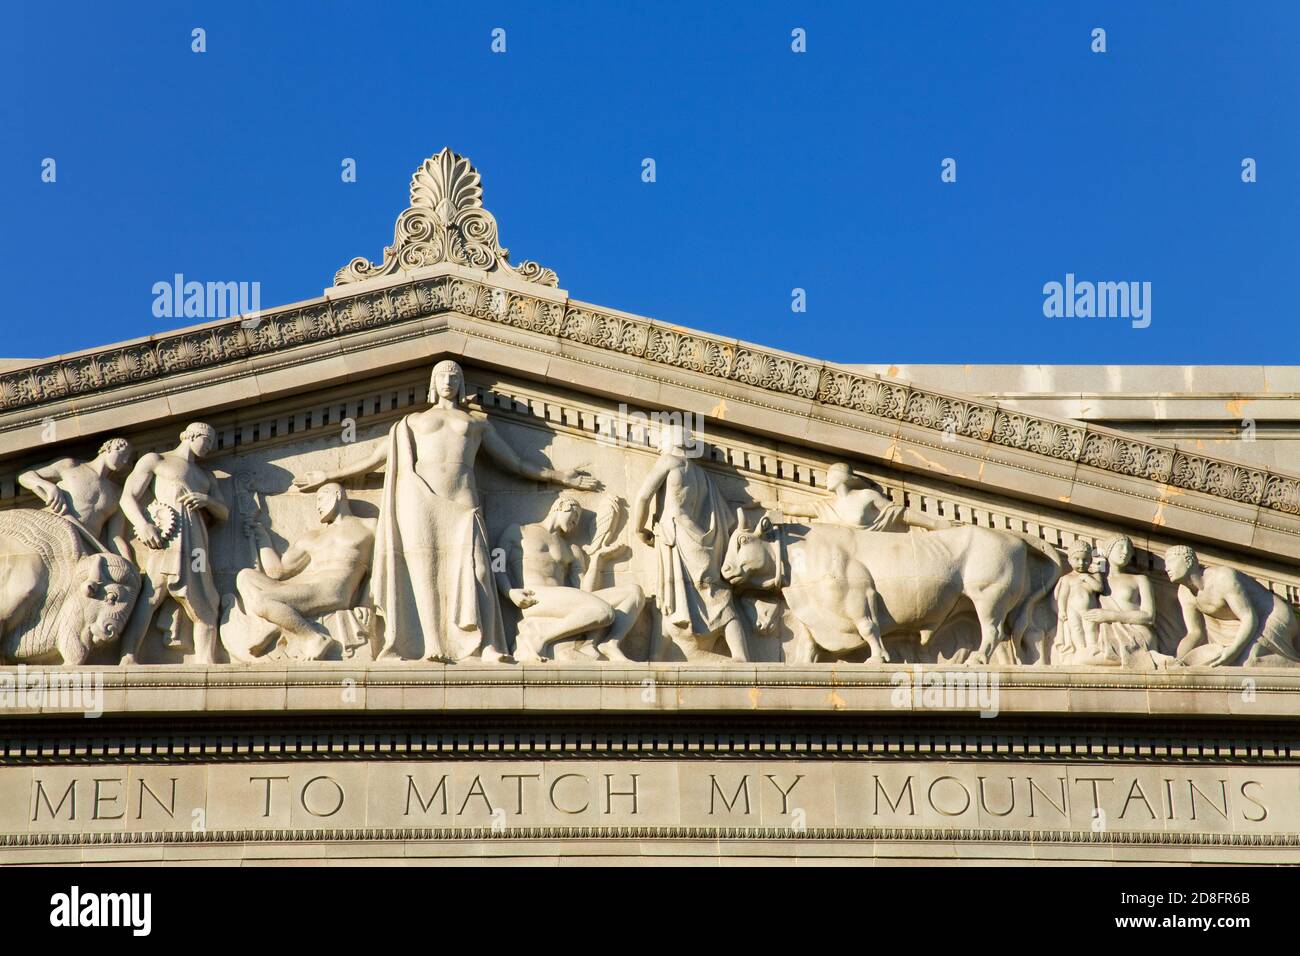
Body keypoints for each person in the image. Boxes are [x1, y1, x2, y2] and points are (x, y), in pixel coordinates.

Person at [294, 360, 597, 661]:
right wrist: (329, 476)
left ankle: (483, 645)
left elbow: (515, 463)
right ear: (433, 383)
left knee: (477, 569)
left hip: (463, 503)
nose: (448, 381)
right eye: (442, 376)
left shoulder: (477, 424)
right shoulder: (411, 422)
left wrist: (559, 477)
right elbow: (375, 459)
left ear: (461, 383)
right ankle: (431, 645)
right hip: (420, 500)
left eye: (454, 376)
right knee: (424, 572)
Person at [632, 424, 747, 661]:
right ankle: (739, 653)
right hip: (704, 540)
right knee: (715, 595)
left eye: (661, 442)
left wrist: (638, 529)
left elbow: (644, 495)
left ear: (670, 441)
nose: (659, 447)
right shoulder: (702, 475)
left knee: (671, 598)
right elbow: (725, 519)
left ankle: (658, 655)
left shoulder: (669, 461)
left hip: (677, 536)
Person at [117, 423, 228, 665]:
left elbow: (224, 513)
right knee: (152, 595)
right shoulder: (156, 460)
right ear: (191, 435)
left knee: (207, 604)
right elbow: (128, 497)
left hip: (197, 546)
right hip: (167, 540)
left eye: (211, 444)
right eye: (206, 441)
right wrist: (143, 525)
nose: (208, 448)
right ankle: (128, 656)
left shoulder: (206, 477)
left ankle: (206, 662)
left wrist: (207, 500)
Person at [235, 483, 376, 660]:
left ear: (337, 495)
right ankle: (275, 621)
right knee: (246, 576)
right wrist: (262, 537)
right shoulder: (313, 536)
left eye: (321, 498)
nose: (318, 505)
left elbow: (379, 568)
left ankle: (313, 637)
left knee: (263, 601)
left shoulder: (369, 526)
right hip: (307, 587)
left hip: (333, 590)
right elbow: (278, 571)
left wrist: (365, 602)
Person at [494, 496, 644, 662]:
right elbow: (496, 564)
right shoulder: (520, 531)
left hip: (562, 600)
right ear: (562, 506)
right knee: (603, 611)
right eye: (575, 514)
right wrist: (510, 592)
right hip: (534, 596)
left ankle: (610, 643)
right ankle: (540, 637)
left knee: (634, 593)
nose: (576, 521)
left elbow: (587, 593)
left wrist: (598, 560)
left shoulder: (572, 550)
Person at [1165, 544, 1300, 667]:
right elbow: (1195, 633)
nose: (1166, 568)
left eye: (1170, 562)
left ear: (1188, 561)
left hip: (1271, 617)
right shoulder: (1184, 593)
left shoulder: (1223, 578)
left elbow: (1249, 618)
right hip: (1237, 625)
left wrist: (1232, 652)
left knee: (1248, 661)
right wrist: (1178, 660)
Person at [18, 438, 134, 557]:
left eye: (128, 457)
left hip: (86, 548)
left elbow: (116, 538)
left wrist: (130, 565)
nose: (125, 461)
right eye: (122, 453)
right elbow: (25, 476)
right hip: (53, 534)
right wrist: (49, 487)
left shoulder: (117, 492)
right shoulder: (71, 466)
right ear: (108, 448)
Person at [766, 462, 952, 531]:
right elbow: (792, 508)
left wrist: (934, 524)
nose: (826, 478)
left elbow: (900, 514)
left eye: (830, 474)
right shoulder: (825, 506)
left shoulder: (867, 496)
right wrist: (761, 504)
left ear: (841, 478)